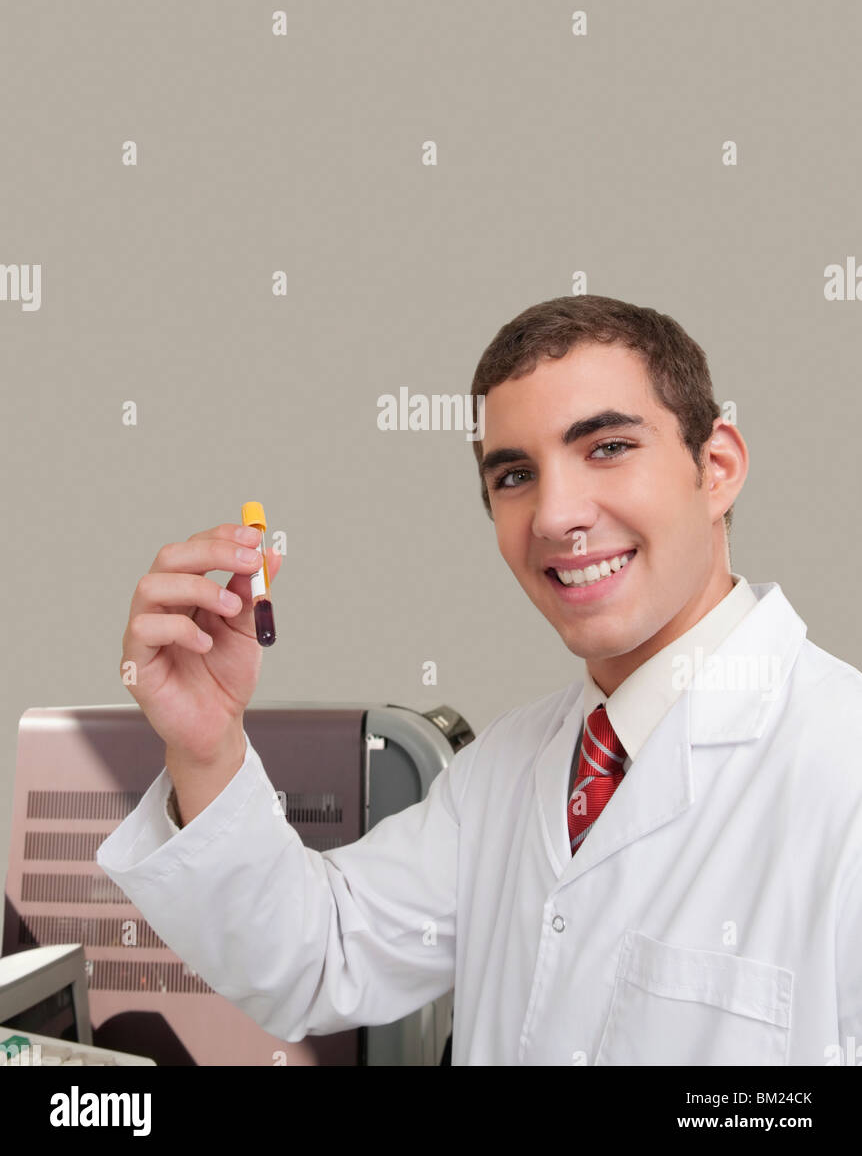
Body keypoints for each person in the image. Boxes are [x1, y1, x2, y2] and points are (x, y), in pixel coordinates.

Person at [97, 294, 862, 1066]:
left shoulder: (843, 767)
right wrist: (207, 746)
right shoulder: (508, 766)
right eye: (515, 475)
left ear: (717, 467)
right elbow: (320, 958)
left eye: (607, 447)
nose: (556, 515)